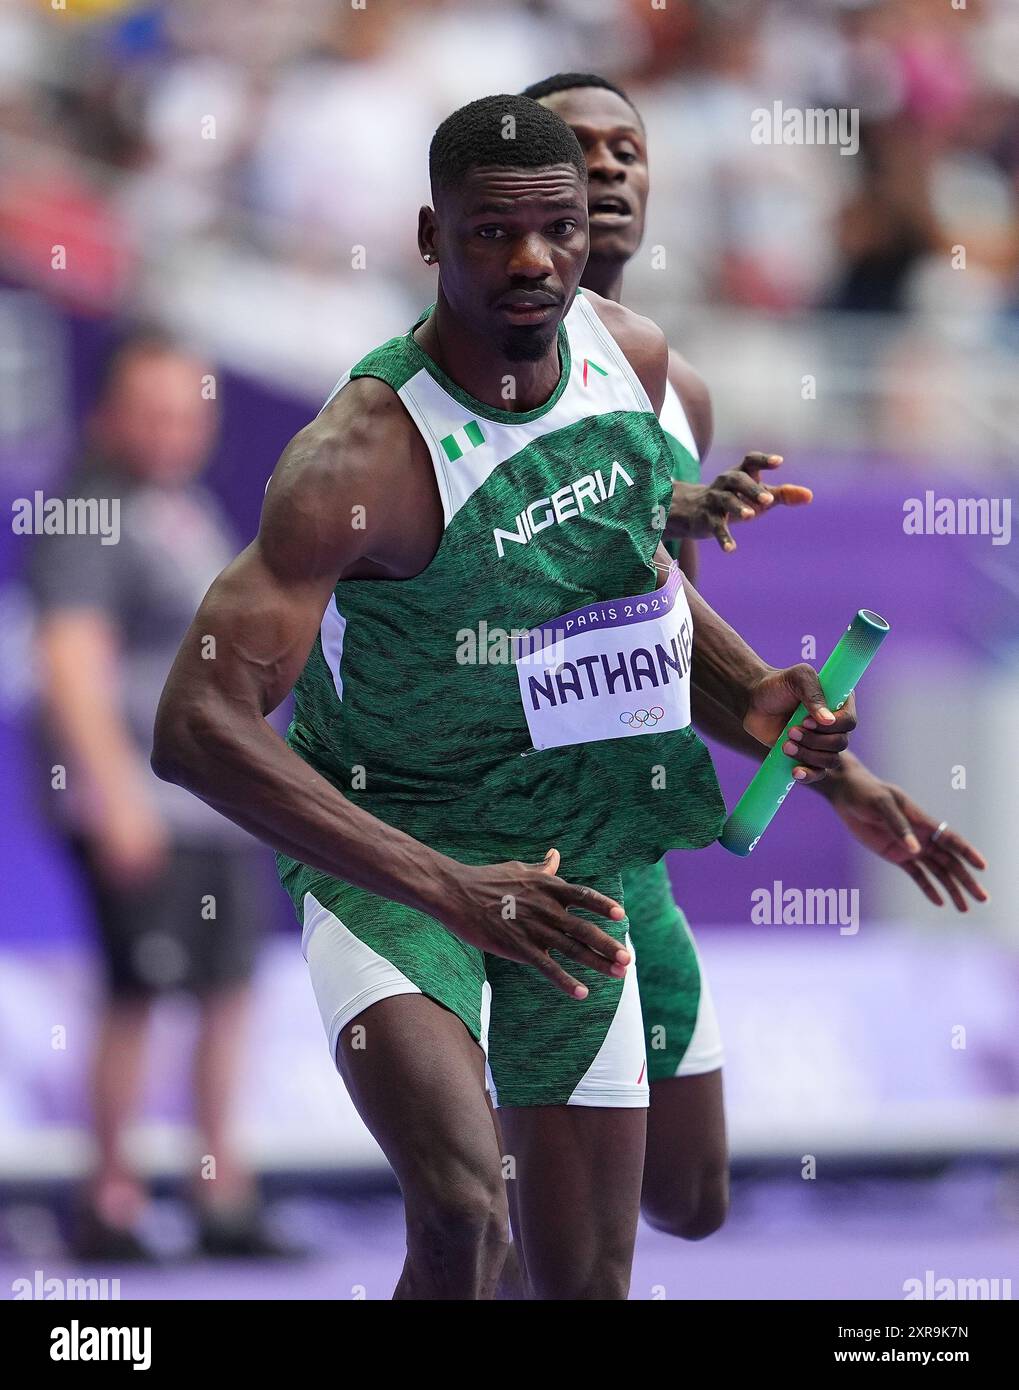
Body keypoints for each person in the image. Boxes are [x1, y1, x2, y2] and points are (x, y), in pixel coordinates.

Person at [152, 95, 862, 1301]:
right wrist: (446, 886)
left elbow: (634, 596)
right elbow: (193, 726)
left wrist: (748, 700)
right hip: (399, 859)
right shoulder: (358, 458)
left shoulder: (626, 363)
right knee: (465, 1209)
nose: (532, 260)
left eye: (559, 230)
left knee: (586, 1278)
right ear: (432, 236)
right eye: (491, 234)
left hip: (565, 865)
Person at [524, 72, 990, 1246]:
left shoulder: (677, 386)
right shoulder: (477, 372)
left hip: (625, 838)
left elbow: (675, 642)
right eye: (578, 148)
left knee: (687, 1195)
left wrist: (840, 784)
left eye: (627, 146)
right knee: (504, 1220)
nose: (613, 167)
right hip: (493, 834)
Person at [30, 333, 288, 1260]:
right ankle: (111, 1204)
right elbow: (69, 663)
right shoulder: (92, 510)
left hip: (211, 804)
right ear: (107, 415)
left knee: (225, 991)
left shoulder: (181, 509)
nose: (174, 429)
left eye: (189, 411)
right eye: (154, 410)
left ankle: (223, 1196)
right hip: (140, 802)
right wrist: (111, 796)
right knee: (139, 993)